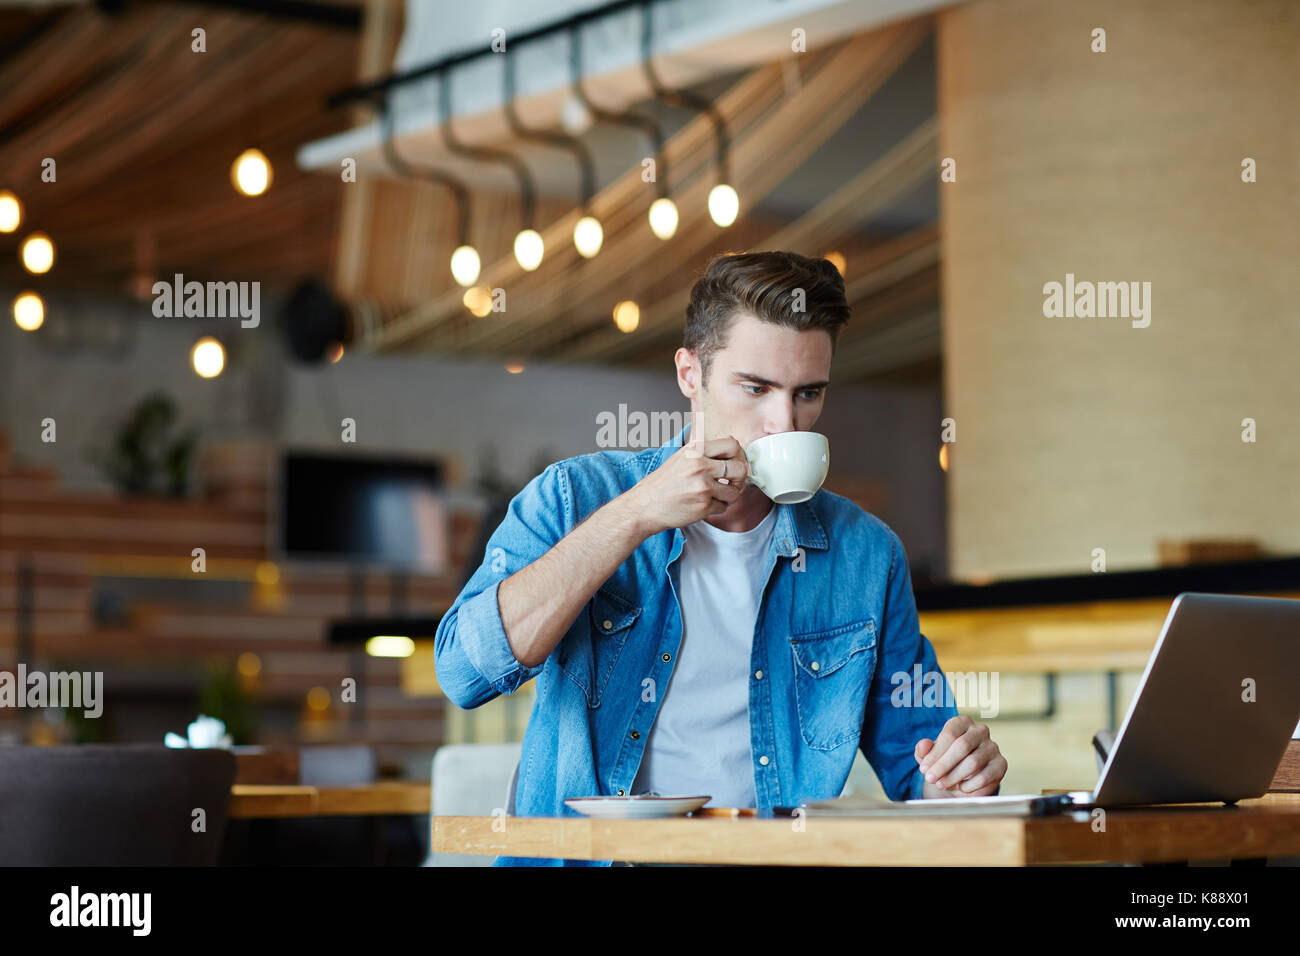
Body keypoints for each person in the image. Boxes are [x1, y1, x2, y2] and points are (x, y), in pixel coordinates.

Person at [434, 251, 1006, 866]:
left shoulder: (866, 554)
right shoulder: (575, 498)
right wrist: (634, 516)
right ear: (690, 373)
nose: (783, 423)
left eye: (808, 394)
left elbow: (917, 767)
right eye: (756, 388)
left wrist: (958, 774)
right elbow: (465, 672)